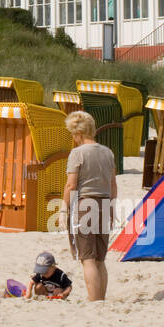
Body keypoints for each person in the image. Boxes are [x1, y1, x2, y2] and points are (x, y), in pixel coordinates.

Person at [61, 110, 116, 301]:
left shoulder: (77, 153)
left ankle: (93, 300)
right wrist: (111, 208)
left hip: (85, 205)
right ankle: (100, 298)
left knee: (88, 258)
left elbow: (71, 185)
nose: (73, 138)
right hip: (104, 203)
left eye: (72, 134)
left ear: (78, 133)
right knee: (100, 259)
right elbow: (113, 184)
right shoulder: (108, 152)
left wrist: (63, 208)